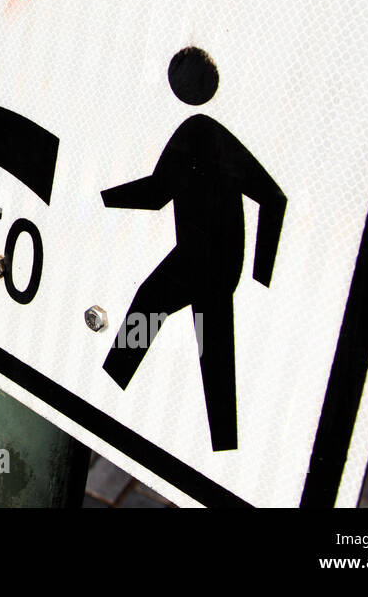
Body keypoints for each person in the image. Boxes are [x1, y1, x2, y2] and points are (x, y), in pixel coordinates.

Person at [100, 46, 286, 451]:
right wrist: (253, 273)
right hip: (222, 265)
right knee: (214, 348)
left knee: (148, 304)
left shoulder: (198, 133)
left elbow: (154, 193)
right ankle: (225, 444)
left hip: (200, 258)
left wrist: (98, 198)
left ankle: (105, 387)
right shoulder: (208, 134)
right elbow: (158, 194)